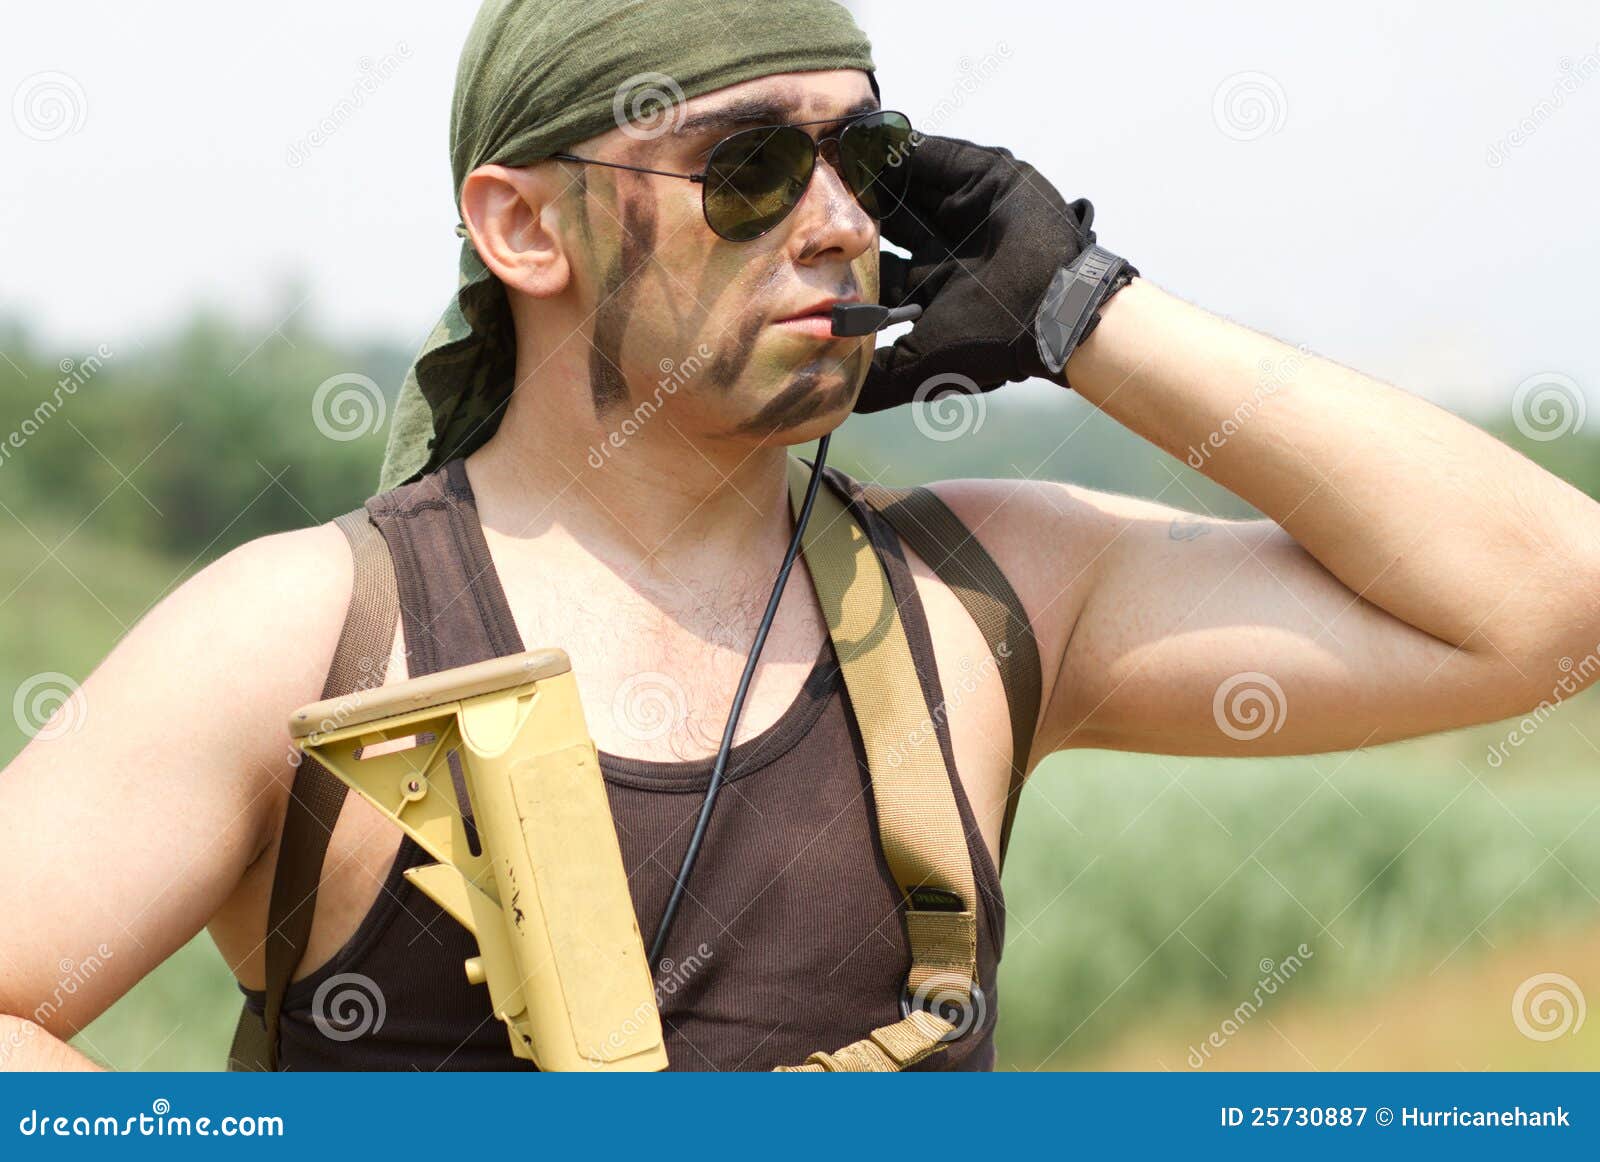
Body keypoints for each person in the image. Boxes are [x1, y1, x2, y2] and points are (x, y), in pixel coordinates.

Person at [3, 0, 1599, 1072]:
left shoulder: (980, 600)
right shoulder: (316, 633)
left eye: (872, 160)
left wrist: (1083, 310)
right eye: (752, 169)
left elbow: (1548, 611)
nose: (840, 221)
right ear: (519, 227)